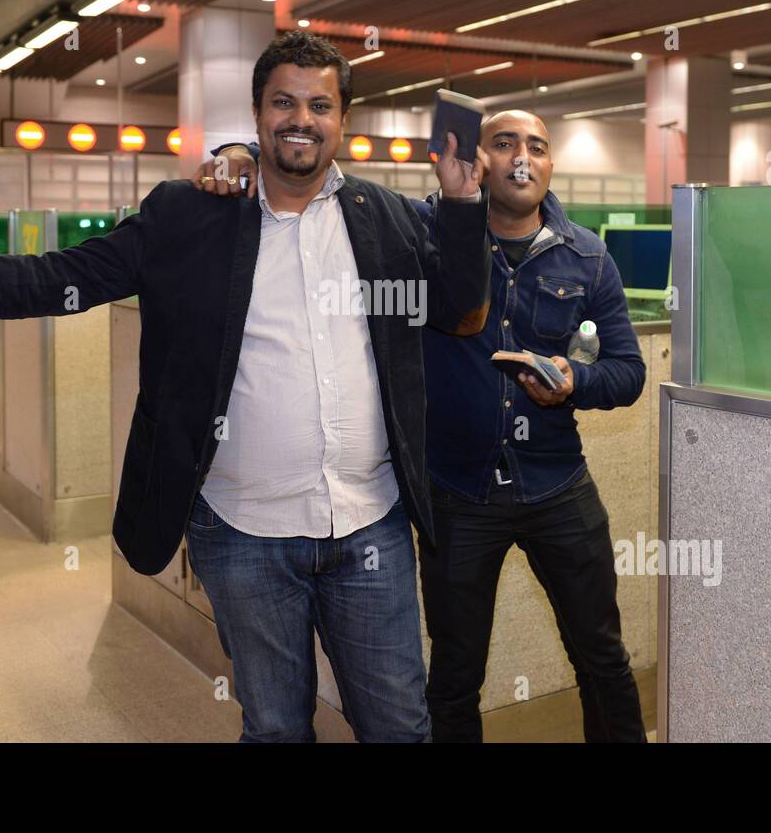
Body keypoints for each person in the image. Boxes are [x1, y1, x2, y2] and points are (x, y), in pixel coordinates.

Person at [0, 31, 493, 744]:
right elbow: (50, 278)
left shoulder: (387, 220)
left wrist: (462, 206)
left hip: (372, 527)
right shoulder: (191, 216)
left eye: (319, 106)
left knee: (401, 727)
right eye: (283, 103)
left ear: (343, 121)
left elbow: (461, 312)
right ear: (259, 113)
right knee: (274, 727)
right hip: (241, 533)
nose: (301, 119)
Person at [198, 108, 648, 742]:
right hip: (456, 497)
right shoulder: (419, 229)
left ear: (550, 165)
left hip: (558, 488)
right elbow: (319, 173)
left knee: (603, 658)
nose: (523, 157)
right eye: (505, 143)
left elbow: (629, 372)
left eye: (538, 147)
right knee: (455, 674)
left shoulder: (588, 257)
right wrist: (239, 151)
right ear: (475, 160)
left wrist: (577, 382)